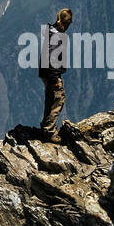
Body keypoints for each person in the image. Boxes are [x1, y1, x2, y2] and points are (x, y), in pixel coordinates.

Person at [38, 8, 73, 142]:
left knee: (50, 99)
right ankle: (49, 131)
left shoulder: (52, 32)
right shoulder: (57, 36)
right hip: (52, 73)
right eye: (70, 21)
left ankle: (45, 127)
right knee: (59, 99)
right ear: (67, 21)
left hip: (46, 73)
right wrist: (55, 79)